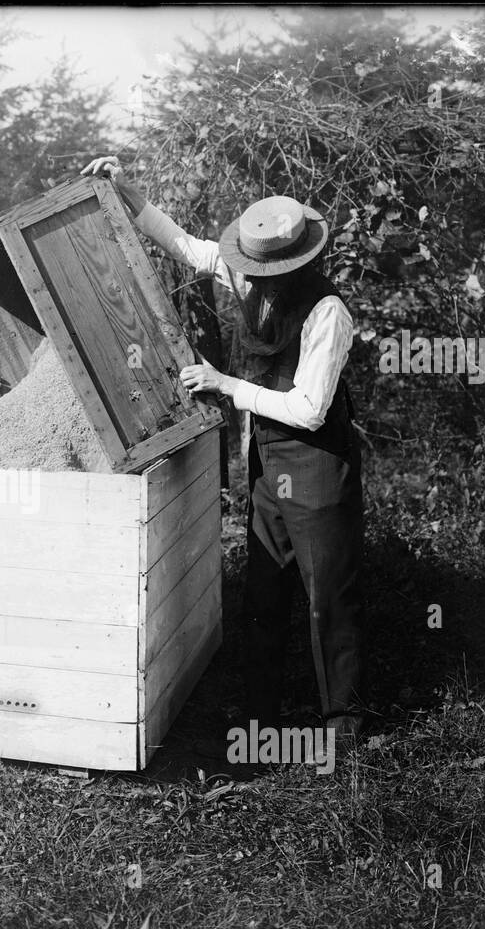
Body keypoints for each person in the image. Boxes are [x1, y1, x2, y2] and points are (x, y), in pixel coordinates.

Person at [80, 155, 367, 739]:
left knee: (329, 594)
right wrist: (127, 191)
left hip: (317, 462)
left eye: (265, 272)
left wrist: (226, 385)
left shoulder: (328, 312)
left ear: (294, 265)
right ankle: (262, 715)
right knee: (264, 590)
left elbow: (309, 409)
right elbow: (187, 247)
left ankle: (344, 718)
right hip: (268, 461)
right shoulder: (248, 278)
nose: (251, 279)